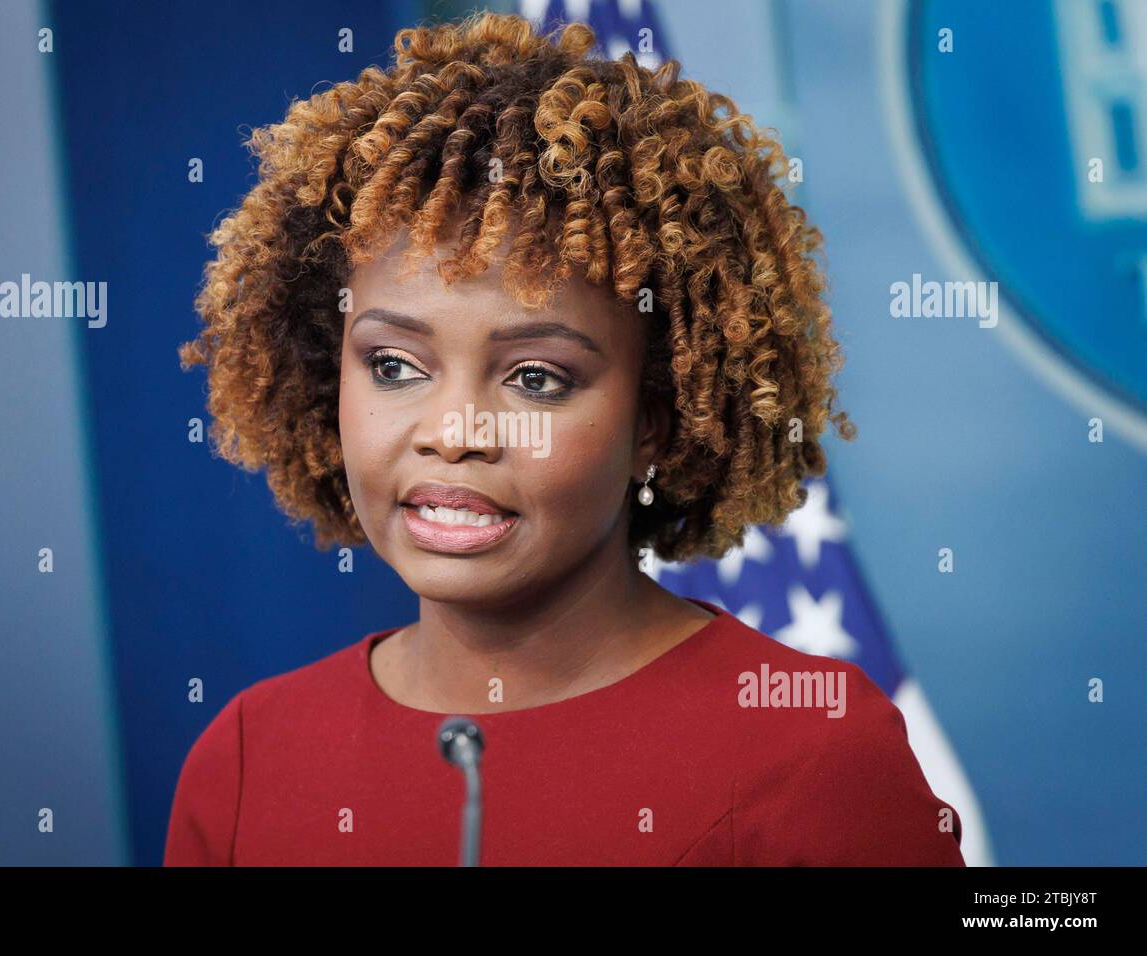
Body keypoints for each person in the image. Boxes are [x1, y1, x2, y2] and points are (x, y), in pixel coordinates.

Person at [165, 10, 964, 866]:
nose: (454, 434)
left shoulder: (815, 752)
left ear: (655, 421)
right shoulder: (249, 758)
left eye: (536, 378)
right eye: (394, 365)